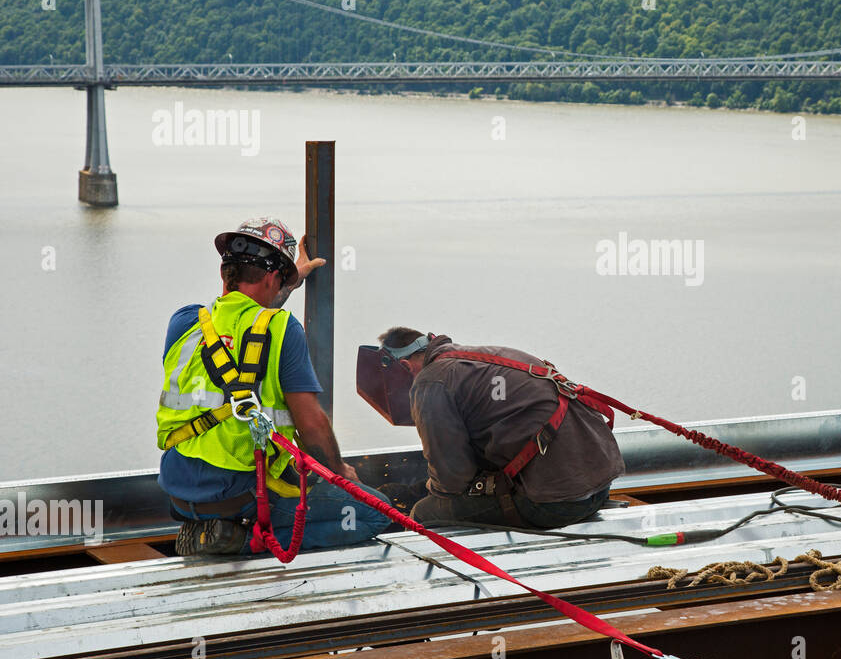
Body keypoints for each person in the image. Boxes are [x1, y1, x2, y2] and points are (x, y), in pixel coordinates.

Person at [157, 217, 391, 556]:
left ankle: (217, 530)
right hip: (241, 495)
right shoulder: (283, 328)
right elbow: (311, 424)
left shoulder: (186, 321)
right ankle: (244, 541)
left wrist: (285, 286)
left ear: (225, 272)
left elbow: (237, 336)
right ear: (271, 278)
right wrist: (339, 471)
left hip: (178, 491)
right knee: (373, 512)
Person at [366, 327, 625, 529]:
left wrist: (426, 494)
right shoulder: (484, 358)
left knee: (426, 511)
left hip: (555, 504)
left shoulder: (430, 381)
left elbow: (452, 480)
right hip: (599, 487)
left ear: (403, 367)